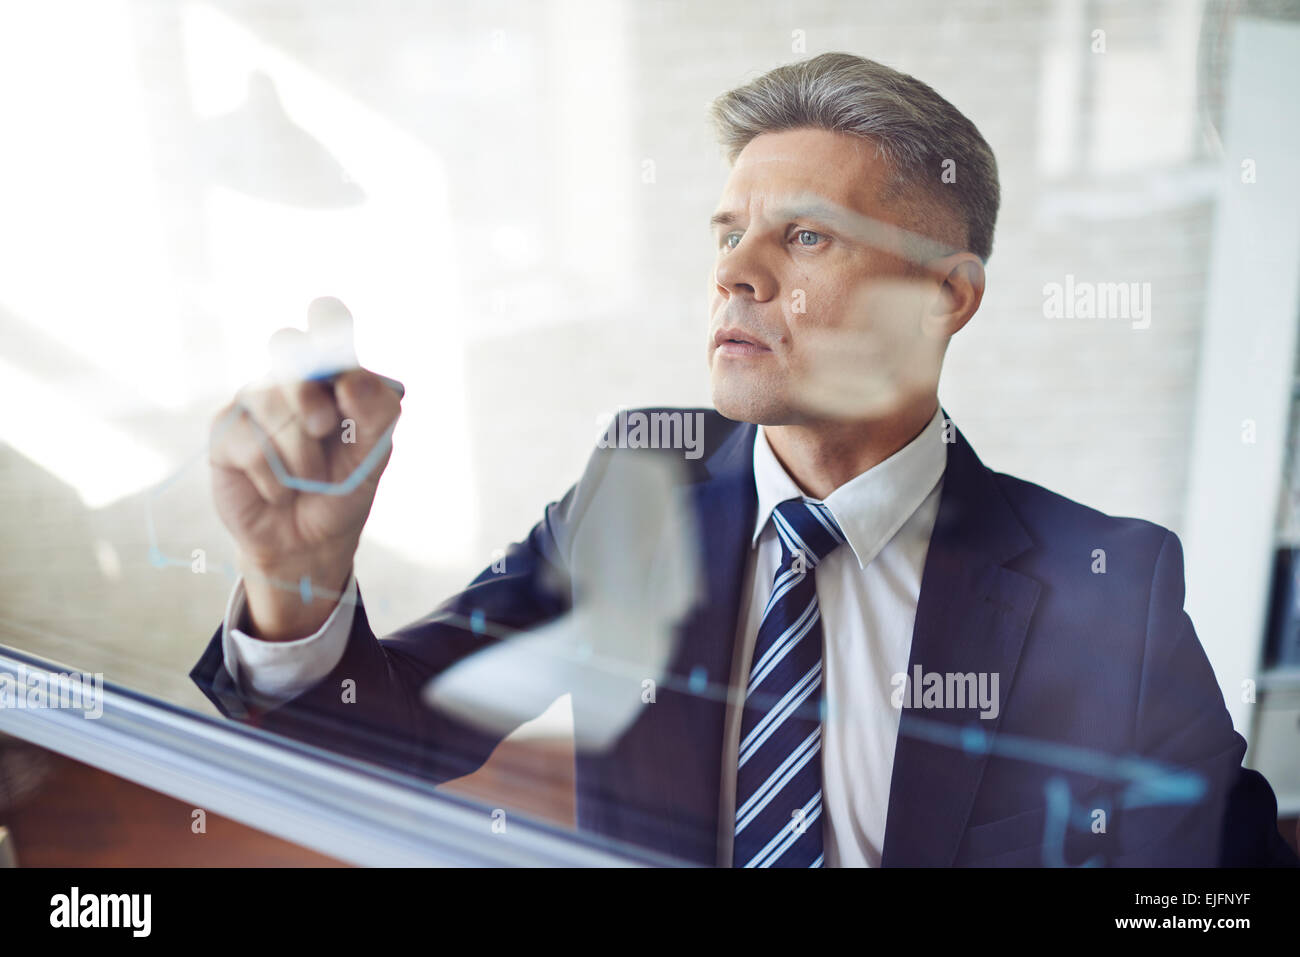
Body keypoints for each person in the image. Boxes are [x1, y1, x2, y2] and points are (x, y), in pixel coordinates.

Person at [191, 52, 1295, 868]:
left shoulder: (1099, 580)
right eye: (728, 234)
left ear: (945, 297)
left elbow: (1214, 876)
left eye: (803, 236)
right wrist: (299, 583)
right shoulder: (637, 487)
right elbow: (388, 734)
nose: (737, 275)